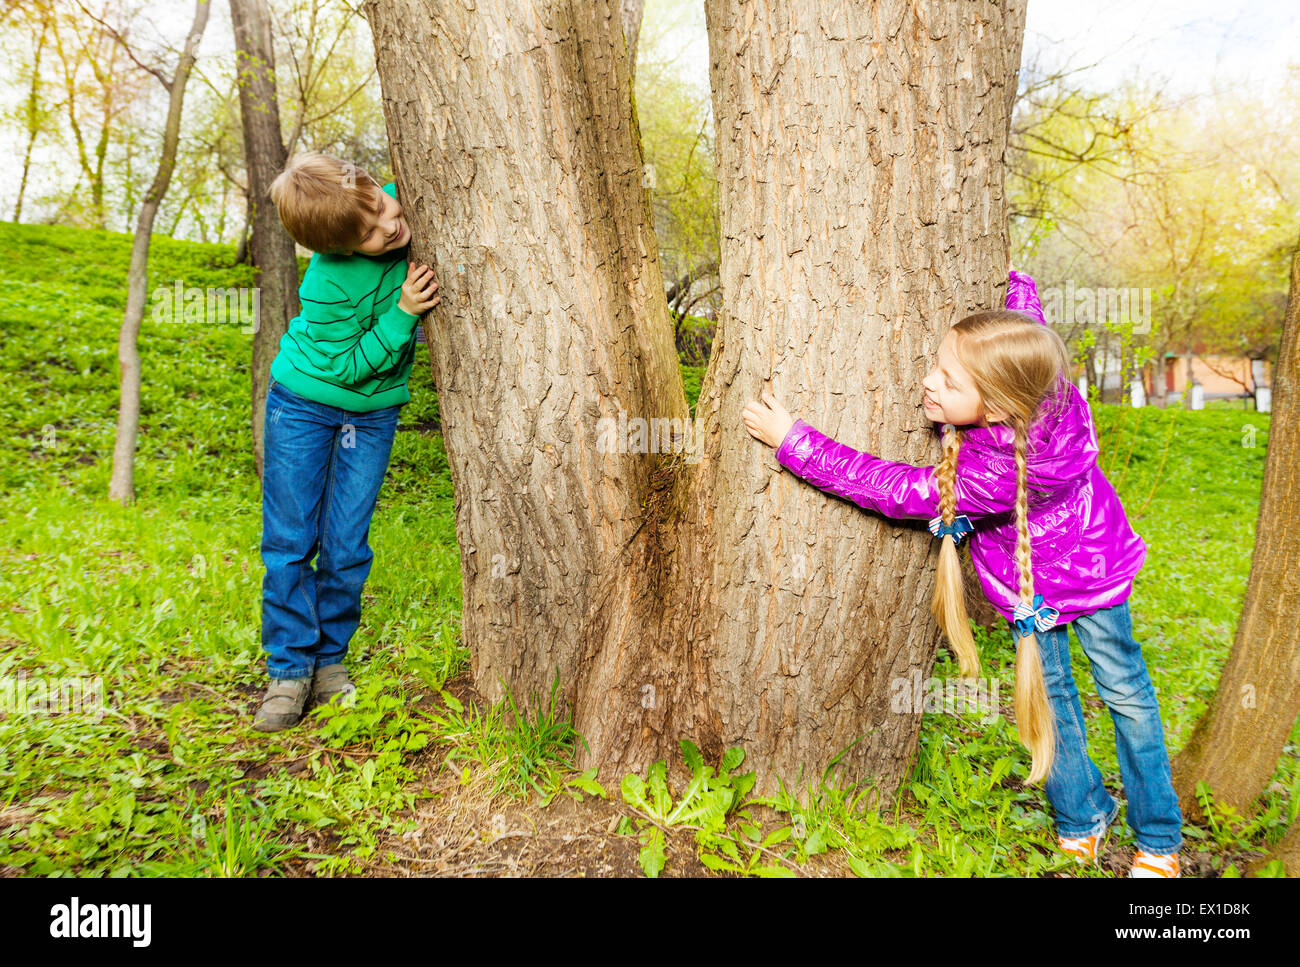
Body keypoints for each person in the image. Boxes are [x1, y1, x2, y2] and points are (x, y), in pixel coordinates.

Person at [740, 270, 1183, 878]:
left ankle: (1158, 838)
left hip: (1090, 574)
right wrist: (1019, 282)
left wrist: (797, 441)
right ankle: (1082, 816)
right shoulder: (1040, 378)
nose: (928, 381)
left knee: (1127, 696)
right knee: (1048, 698)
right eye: (937, 367)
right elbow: (1029, 332)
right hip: (1032, 581)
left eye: (948, 381)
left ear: (997, 405)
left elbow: (897, 489)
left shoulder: (988, 476)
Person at [252, 152, 441, 732]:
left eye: (383, 208)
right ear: (338, 248)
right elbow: (353, 364)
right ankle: (288, 669)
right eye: (369, 234)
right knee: (290, 540)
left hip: (374, 415)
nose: (389, 226)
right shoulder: (327, 281)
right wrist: (402, 315)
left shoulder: (380, 197)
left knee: (347, 543)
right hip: (305, 405)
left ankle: (330, 661)